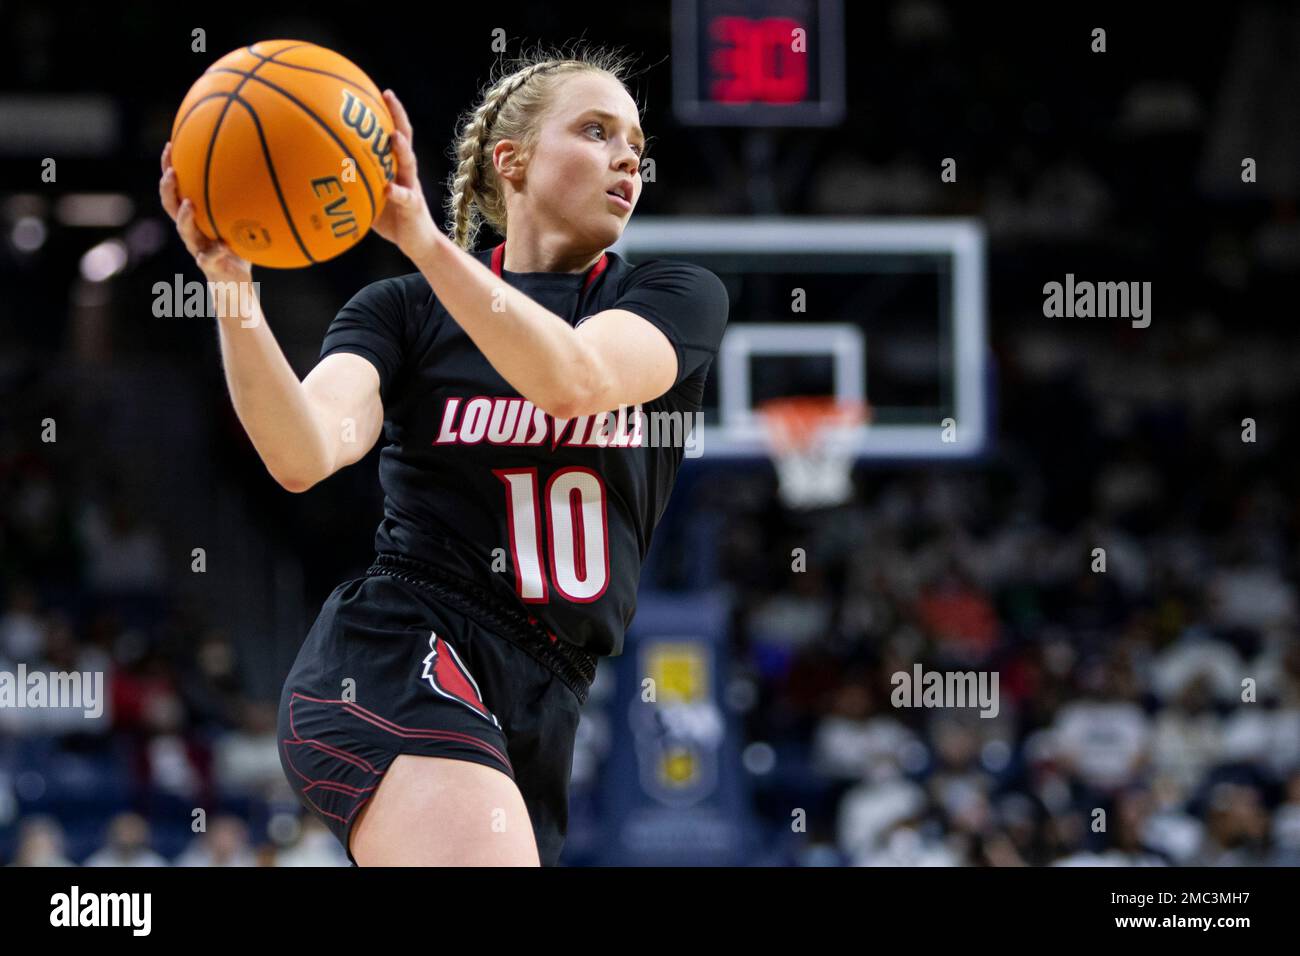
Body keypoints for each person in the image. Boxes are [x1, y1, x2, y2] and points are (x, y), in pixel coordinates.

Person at [157, 45, 729, 865]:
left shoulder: (673, 295)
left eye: (636, 142)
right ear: (513, 161)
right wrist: (230, 287)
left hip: (546, 689)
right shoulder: (402, 310)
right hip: (400, 650)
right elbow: (302, 452)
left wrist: (425, 241)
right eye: (597, 130)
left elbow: (574, 378)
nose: (627, 155)